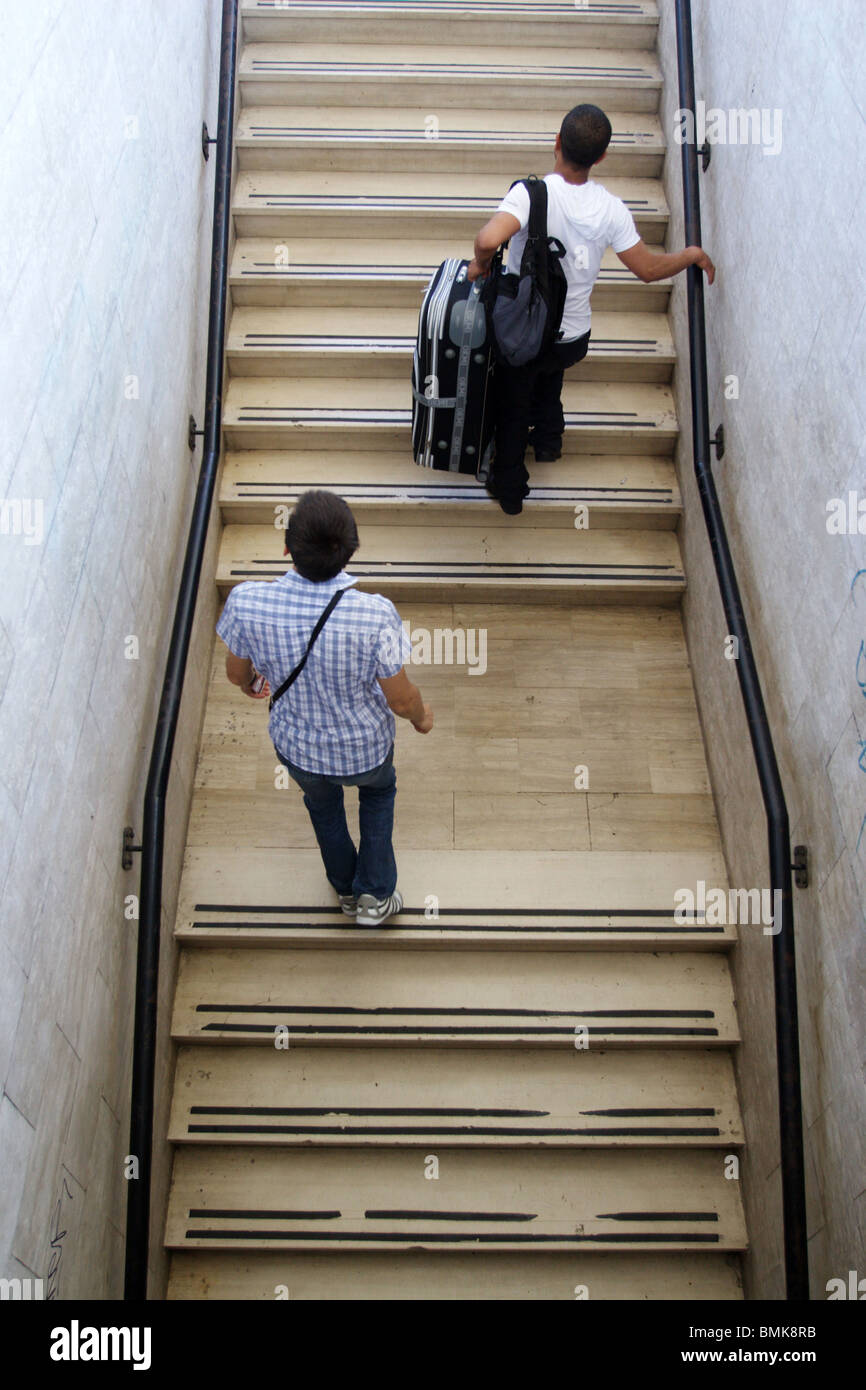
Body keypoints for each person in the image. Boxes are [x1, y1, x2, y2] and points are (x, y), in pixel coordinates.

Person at [468, 103, 716, 514]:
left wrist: (479, 265)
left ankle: (509, 488)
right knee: (549, 376)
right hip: (572, 338)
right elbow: (649, 270)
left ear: (556, 144)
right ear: (601, 157)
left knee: (514, 405)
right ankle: (548, 440)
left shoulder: (530, 196)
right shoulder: (611, 210)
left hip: (525, 333)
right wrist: (689, 254)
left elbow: (488, 238)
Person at [216, 489, 433, 927]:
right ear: (349, 553)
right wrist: (422, 718)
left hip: (298, 749)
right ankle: (374, 895)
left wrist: (255, 684)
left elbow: (238, 675)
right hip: (365, 748)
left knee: (323, 806)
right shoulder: (375, 614)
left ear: (286, 547)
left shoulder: (246, 602)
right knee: (378, 794)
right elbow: (400, 698)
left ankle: (345, 888)